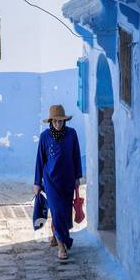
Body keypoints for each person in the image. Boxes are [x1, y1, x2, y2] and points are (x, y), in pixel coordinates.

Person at [33, 105, 85, 261]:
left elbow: (76, 155)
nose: (58, 124)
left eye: (61, 121)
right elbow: (40, 160)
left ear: (65, 121)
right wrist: (37, 182)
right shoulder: (45, 137)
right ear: (51, 121)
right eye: (55, 121)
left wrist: (77, 176)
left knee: (64, 212)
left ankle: (55, 234)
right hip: (50, 181)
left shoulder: (71, 134)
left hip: (68, 180)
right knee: (56, 210)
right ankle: (62, 247)